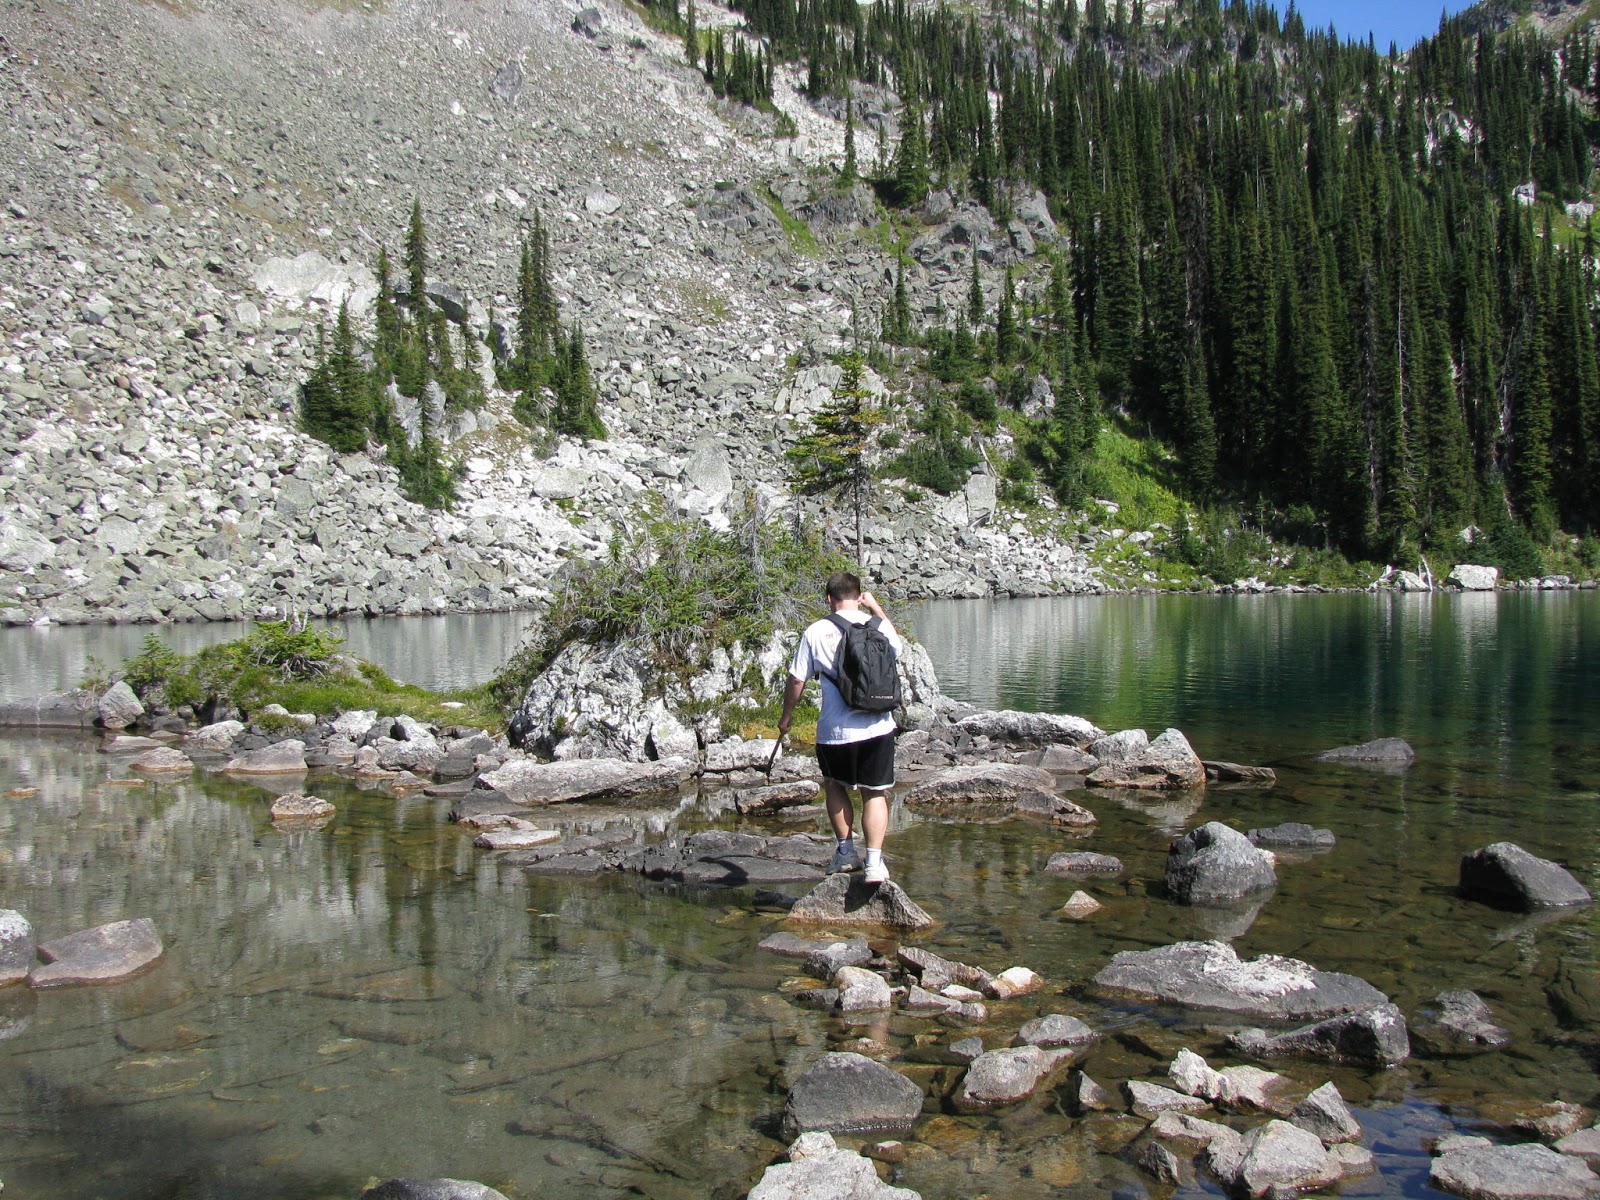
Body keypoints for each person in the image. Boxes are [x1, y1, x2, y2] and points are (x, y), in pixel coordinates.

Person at [777, 571, 902, 885]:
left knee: (834, 785)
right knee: (875, 792)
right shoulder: (879, 626)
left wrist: (787, 716)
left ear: (829, 599)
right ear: (859, 597)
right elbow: (897, 649)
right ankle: (874, 863)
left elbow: (797, 679)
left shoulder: (816, 631)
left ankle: (846, 852)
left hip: (835, 731)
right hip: (878, 727)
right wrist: (875, 607)